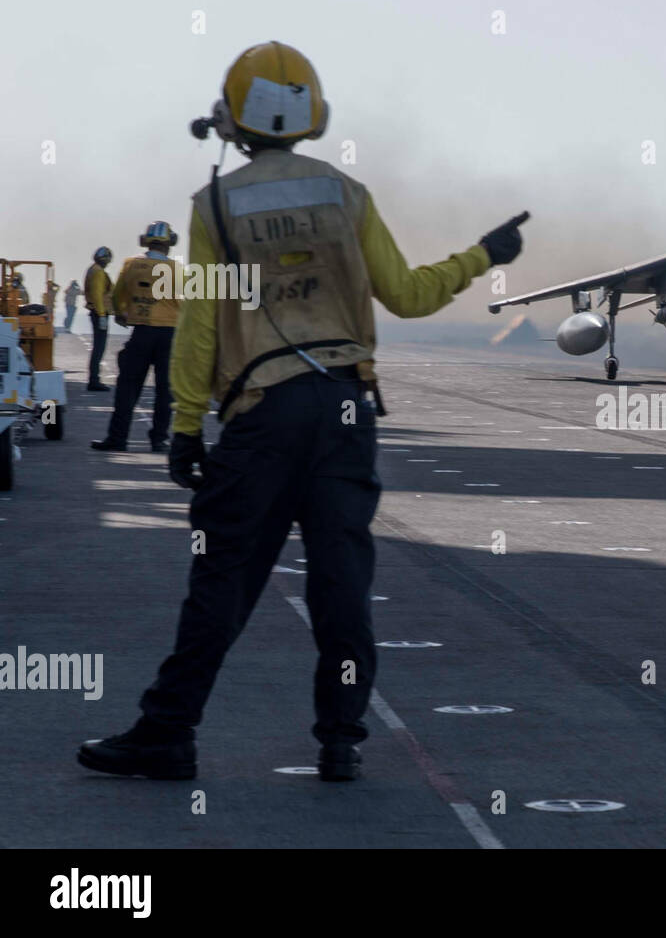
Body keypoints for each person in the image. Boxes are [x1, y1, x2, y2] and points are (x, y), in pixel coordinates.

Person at [78, 41, 527, 782]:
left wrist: (186, 424)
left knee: (222, 578)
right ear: (313, 116)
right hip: (347, 413)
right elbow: (410, 295)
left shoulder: (215, 206)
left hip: (264, 414)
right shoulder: (346, 195)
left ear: (231, 122)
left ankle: (168, 733)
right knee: (341, 582)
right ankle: (341, 740)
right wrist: (484, 254)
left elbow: (202, 325)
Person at [90, 223, 182, 452]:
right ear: (169, 243)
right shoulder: (178, 269)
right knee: (165, 389)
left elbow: (118, 295)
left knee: (128, 387)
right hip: (170, 334)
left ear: (146, 241)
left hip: (141, 332)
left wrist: (122, 315)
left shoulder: (131, 265)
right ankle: (159, 439)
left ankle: (117, 438)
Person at [84, 247, 113, 391]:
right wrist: (102, 315)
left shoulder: (93, 270)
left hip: (96, 312)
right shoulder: (98, 272)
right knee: (99, 348)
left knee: (98, 347)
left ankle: (94, 379)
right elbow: (97, 294)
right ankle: (94, 380)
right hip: (98, 313)